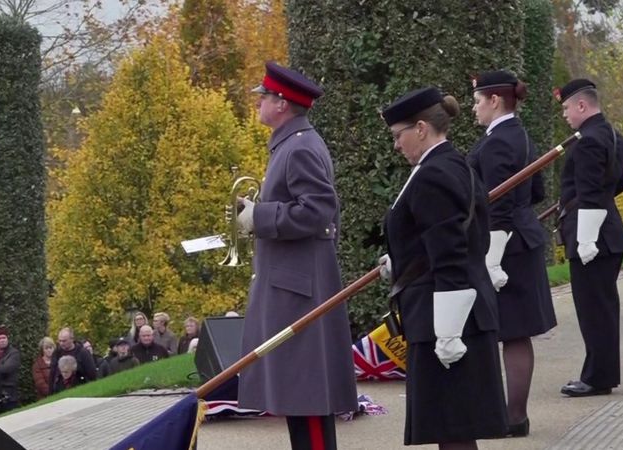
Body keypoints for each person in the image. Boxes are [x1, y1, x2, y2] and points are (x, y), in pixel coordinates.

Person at [237, 61, 357, 450]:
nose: (259, 102)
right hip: (294, 284)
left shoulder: (300, 146)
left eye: (265, 96)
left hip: (298, 289)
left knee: (309, 397)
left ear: (282, 103)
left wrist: (259, 216)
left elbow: (319, 210)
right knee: (299, 397)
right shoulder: (293, 143)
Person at [379, 87, 507, 448]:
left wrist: (448, 333)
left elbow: (451, 253)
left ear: (421, 128)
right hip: (454, 309)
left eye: (397, 135)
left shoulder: (433, 174)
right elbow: (448, 237)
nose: (396, 145)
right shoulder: (452, 164)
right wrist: (402, 258)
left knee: (452, 430)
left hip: (447, 319)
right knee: (454, 430)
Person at [467, 70, 556, 436]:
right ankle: (512, 414)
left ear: (494, 100)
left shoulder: (500, 141)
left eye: (477, 101)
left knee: (513, 331)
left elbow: (498, 203)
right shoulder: (516, 135)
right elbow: (535, 191)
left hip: (506, 246)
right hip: (520, 238)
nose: (474, 109)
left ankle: (514, 417)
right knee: (514, 332)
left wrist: (492, 256)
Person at [555, 79, 623, 397]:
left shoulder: (586, 141)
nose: (565, 115)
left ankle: (597, 378)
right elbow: (620, 183)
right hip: (609, 233)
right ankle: (602, 373)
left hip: (592, 239)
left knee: (593, 310)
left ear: (582, 106)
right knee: (602, 308)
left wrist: (586, 240)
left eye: (566, 108)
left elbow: (588, 195)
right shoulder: (615, 136)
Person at [49, 328, 97, 394]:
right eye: (60, 341)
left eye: (64, 341)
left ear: (72, 339)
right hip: (61, 390)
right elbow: (52, 374)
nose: (61, 343)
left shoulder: (83, 353)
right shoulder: (57, 353)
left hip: (81, 388)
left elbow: (92, 374)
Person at [0, 325, 21, 413]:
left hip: (9, 393)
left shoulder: (14, 353)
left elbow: (7, 368)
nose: (2, 340)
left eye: (4, 337)